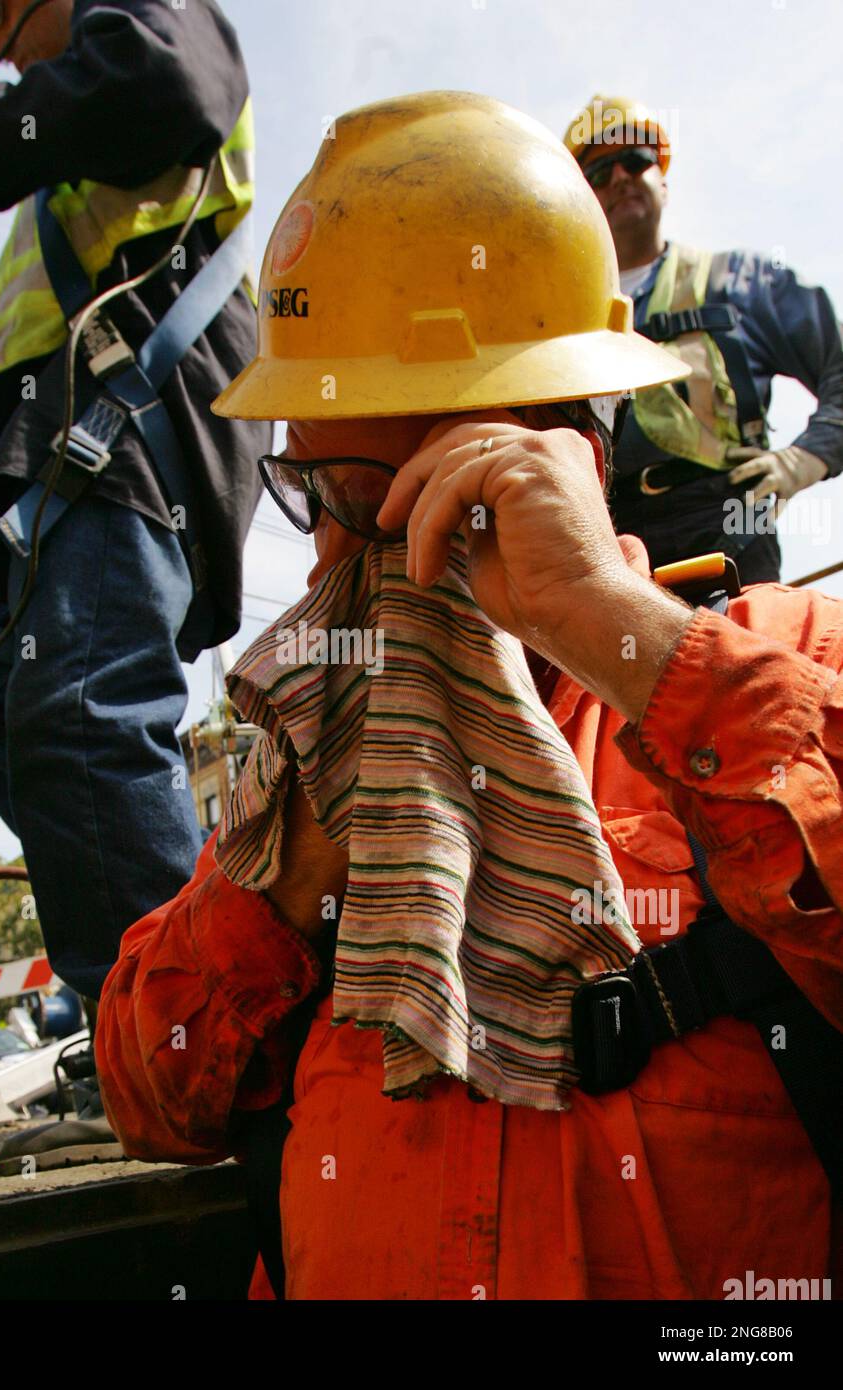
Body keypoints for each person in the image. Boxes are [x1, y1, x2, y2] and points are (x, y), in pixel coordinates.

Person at [94, 92, 843, 1299]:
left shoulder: (780, 660)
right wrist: (279, 879)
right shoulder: (319, 759)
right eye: (305, 496)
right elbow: (150, 1095)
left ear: (564, 471)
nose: (320, 567)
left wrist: (621, 633)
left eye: (353, 502)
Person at [0, 0, 271, 1095]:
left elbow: (153, 84)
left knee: (79, 712)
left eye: (2, 15)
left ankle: (197, 1064)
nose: (0, 43)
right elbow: (0, 402)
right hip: (74, 453)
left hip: (144, 430)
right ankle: (147, 1021)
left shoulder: (154, 28)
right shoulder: (56, 208)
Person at [563, 95, 843, 583]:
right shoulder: (561, 323)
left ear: (663, 182)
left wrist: (804, 459)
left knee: (733, 659)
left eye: (636, 160)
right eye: (600, 173)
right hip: (606, 548)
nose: (621, 177)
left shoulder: (738, 283)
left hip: (725, 528)